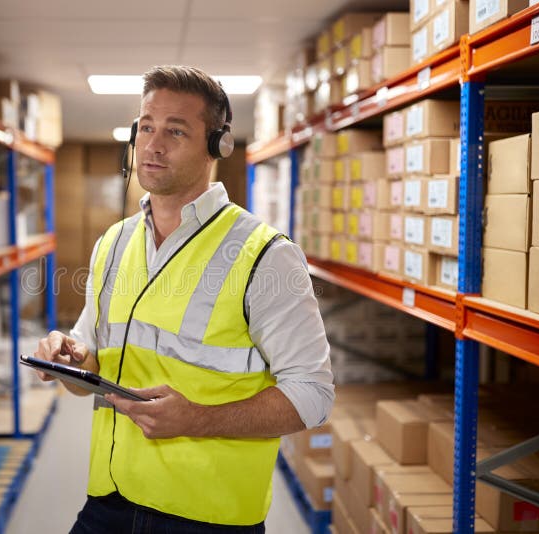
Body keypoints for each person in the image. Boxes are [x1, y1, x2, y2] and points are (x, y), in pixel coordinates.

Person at [34, 65, 333, 533]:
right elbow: (91, 371)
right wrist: (71, 360)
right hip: (109, 498)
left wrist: (198, 419)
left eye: (176, 131)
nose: (153, 145)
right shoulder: (114, 243)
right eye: (147, 127)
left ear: (218, 146)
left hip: (206, 514)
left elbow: (313, 396)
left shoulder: (265, 255)